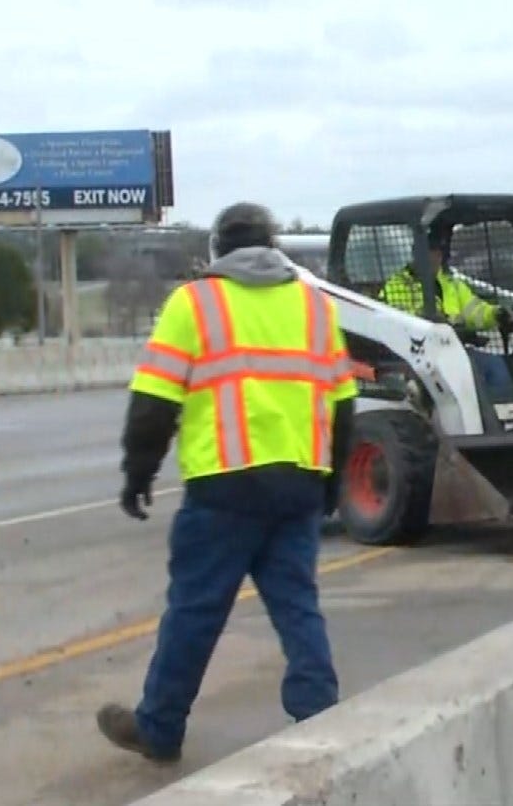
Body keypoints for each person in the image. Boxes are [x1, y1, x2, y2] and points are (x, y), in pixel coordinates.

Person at [95, 201, 357, 763]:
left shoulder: (195, 302)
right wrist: (332, 482)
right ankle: (319, 712)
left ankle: (160, 727)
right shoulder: (313, 307)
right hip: (299, 485)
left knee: (195, 609)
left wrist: (137, 473)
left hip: (225, 487)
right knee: (297, 605)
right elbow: (344, 404)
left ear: (218, 250)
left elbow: (154, 401)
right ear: (274, 245)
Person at [377, 230, 513, 390]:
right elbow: (397, 323)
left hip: (454, 351)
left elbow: (475, 311)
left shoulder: (451, 284)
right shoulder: (396, 286)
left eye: (439, 254)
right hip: (419, 358)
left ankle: (498, 412)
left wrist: (495, 314)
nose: (435, 258)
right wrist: (432, 322)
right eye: (430, 253)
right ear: (416, 254)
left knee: (494, 365)